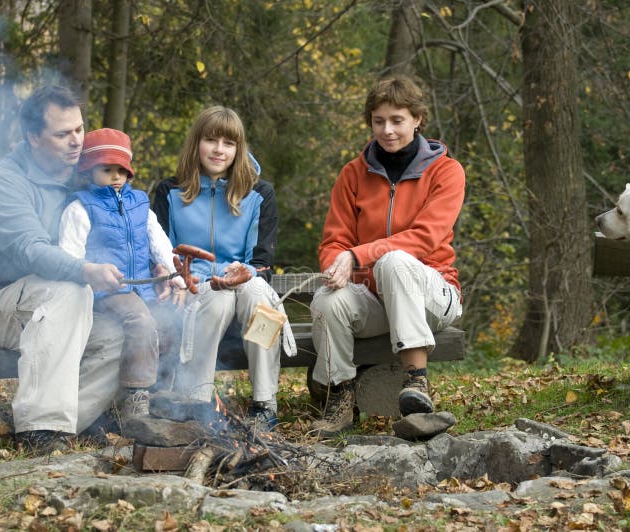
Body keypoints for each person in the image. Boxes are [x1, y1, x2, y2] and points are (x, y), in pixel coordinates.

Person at [309, 76, 465, 436]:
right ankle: (340, 398)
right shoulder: (353, 174)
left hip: (434, 296)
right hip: (377, 299)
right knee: (327, 300)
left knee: (392, 261)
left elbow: (425, 239)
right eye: (379, 121)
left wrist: (357, 255)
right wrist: (337, 266)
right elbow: (334, 241)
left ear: (417, 119)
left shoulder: (445, 171)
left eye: (397, 120)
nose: (388, 130)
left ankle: (416, 382)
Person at [0, 86, 127, 455]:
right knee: (69, 290)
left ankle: (70, 423)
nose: (76, 140)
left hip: (74, 301)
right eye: (63, 133)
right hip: (9, 303)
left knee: (119, 335)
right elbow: (30, 250)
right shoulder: (4, 181)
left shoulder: (87, 173)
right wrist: (87, 270)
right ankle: (40, 427)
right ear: (33, 137)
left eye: (78, 129)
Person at [152, 105, 295, 429]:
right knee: (217, 298)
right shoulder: (169, 192)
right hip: (194, 288)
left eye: (228, 143)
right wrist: (178, 277)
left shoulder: (259, 194)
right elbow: (162, 253)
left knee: (261, 294)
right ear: (196, 143)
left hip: (245, 284)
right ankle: (195, 400)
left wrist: (241, 275)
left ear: (238, 148)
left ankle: (264, 402)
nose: (219, 150)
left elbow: (261, 263)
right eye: (211, 140)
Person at [58, 128, 186, 420]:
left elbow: (160, 244)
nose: (115, 176)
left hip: (143, 286)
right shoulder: (81, 207)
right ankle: (135, 396)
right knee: (139, 321)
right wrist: (87, 276)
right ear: (90, 170)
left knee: (168, 321)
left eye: (121, 170)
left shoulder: (140, 204)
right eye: (106, 169)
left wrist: (176, 277)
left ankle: (162, 391)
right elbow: (69, 254)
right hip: (109, 290)